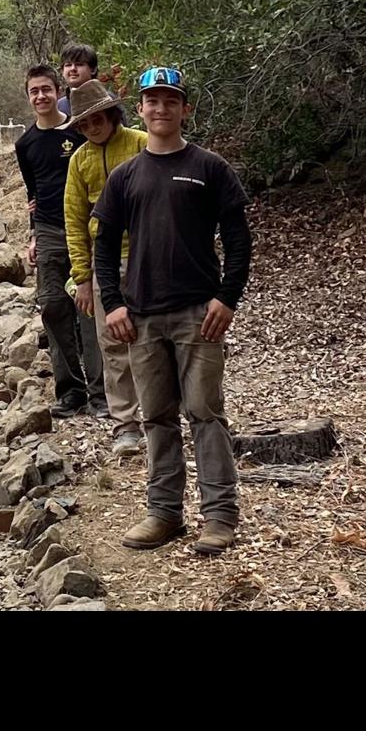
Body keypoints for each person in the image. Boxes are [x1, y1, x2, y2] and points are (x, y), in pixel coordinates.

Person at [92, 67, 253, 555]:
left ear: (185, 109)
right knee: (157, 418)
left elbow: (240, 240)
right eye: (152, 101)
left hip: (198, 314)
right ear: (140, 108)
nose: (160, 109)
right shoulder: (125, 176)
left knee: (205, 413)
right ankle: (164, 513)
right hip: (141, 317)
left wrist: (227, 298)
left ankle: (220, 516)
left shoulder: (210, 168)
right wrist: (114, 304)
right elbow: (103, 248)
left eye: (170, 101)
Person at [63, 79, 148, 458]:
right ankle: (126, 424)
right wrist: (82, 278)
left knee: (155, 340)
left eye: (96, 118)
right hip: (105, 262)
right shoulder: (79, 161)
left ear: (112, 114)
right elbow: (74, 220)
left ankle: (164, 417)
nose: (92, 127)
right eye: (83, 123)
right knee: (112, 345)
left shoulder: (142, 144)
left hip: (150, 255)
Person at [15, 65, 95, 417]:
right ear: (28, 96)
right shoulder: (25, 144)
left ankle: (102, 391)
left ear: (57, 90)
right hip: (48, 229)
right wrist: (33, 234)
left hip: (86, 226)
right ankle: (70, 391)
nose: (41, 97)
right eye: (34, 91)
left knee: (90, 310)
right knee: (52, 307)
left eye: (46, 89)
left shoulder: (78, 132)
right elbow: (34, 193)